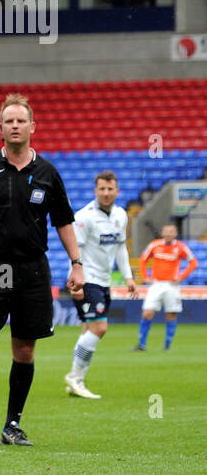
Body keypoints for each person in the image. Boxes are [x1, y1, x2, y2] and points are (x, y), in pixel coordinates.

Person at [0, 94, 84, 447]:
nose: (14, 126)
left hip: (31, 270)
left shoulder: (47, 173)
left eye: (20, 121)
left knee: (24, 350)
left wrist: (77, 263)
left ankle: (13, 424)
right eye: (8, 121)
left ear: (32, 127)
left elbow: (65, 222)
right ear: (0, 128)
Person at [65, 171, 137, 398]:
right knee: (100, 328)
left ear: (117, 191)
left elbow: (120, 248)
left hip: (104, 281)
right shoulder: (84, 217)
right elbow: (75, 252)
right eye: (102, 189)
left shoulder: (121, 215)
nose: (106, 193)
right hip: (87, 280)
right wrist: (75, 281)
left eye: (110, 189)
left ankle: (76, 381)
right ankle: (75, 377)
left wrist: (128, 277)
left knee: (89, 328)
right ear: (95, 191)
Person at [135, 223, 198, 351]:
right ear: (162, 233)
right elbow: (143, 259)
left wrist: (181, 277)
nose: (169, 234)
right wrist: (145, 276)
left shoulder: (181, 247)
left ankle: (167, 345)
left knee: (171, 314)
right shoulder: (154, 245)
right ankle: (142, 344)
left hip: (171, 285)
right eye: (166, 231)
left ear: (175, 234)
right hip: (156, 284)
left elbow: (193, 262)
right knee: (147, 313)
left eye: (171, 231)